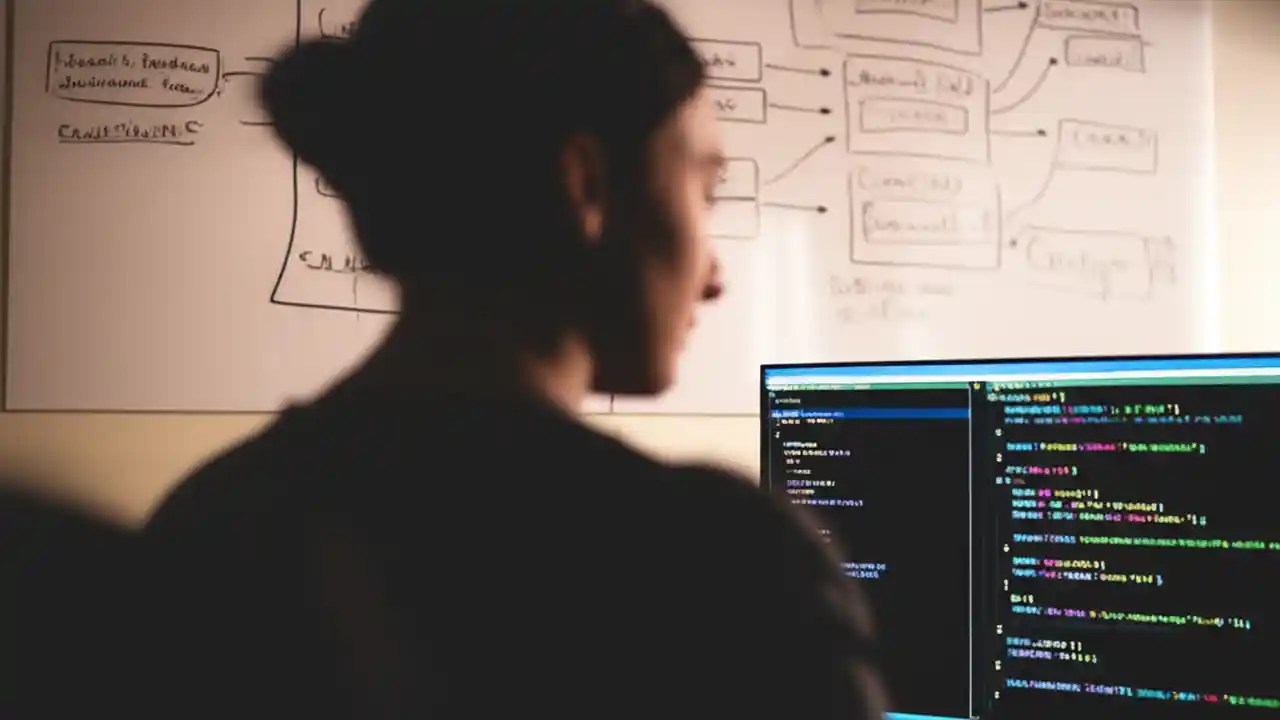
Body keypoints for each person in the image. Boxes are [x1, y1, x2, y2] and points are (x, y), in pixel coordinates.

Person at [141, 1, 887, 717]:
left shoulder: (214, 518)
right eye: (707, 188)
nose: (716, 275)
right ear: (585, 184)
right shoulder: (720, 566)